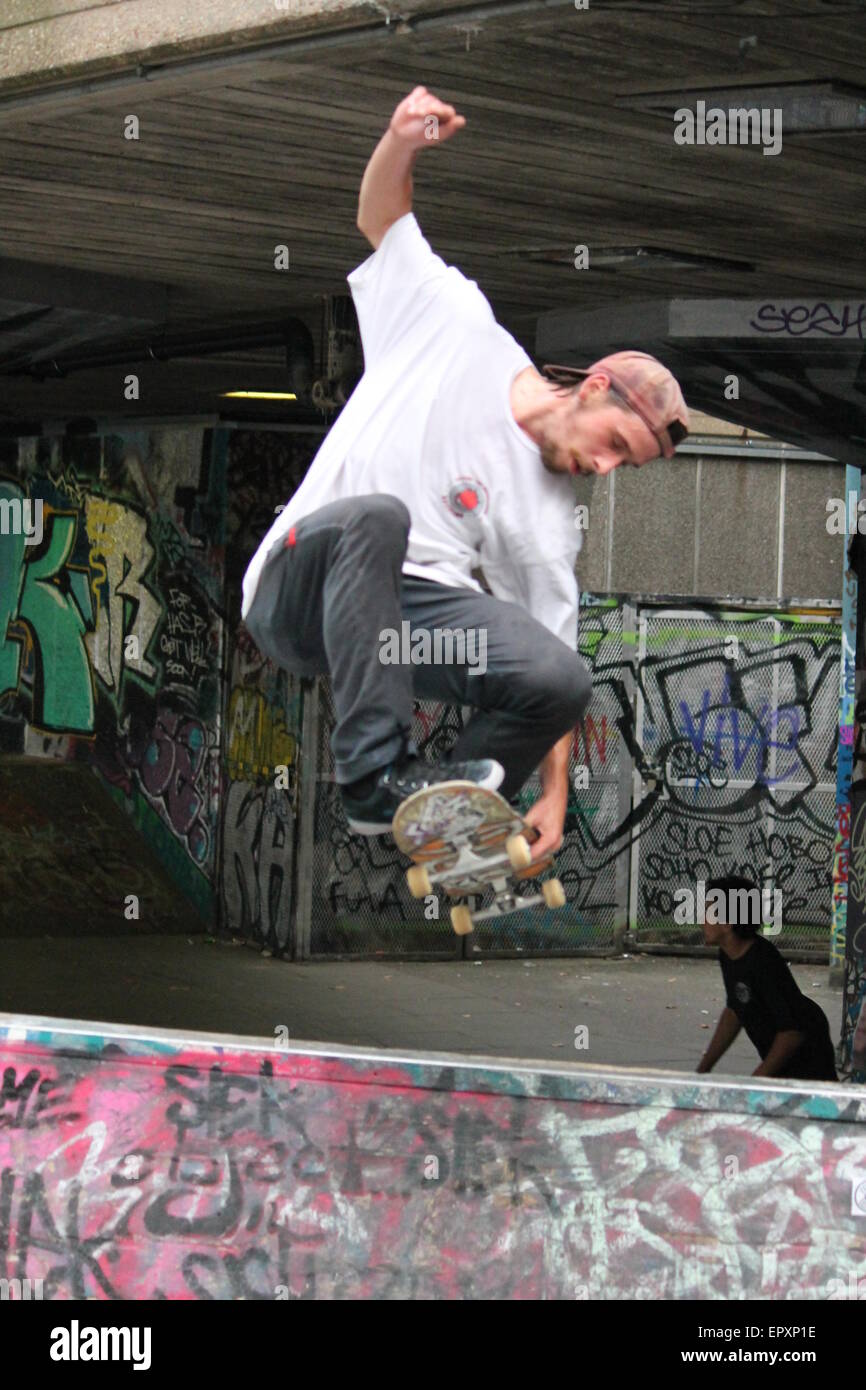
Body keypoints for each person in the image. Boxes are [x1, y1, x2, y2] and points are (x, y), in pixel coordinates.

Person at [241, 86, 689, 857]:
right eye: (615, 443)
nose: (605, 468)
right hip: (300, 587)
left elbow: (551, 661)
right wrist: (400, 140)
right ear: (591, 388)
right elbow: (381, 219)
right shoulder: (455, 323)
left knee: (562, 679)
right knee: (379, 518)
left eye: (626, 465)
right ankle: (373, 779)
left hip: (402, 628)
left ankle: (448, 808)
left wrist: (554, 793)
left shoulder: (548, 519)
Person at [697, 875, 837, 1081]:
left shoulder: (762, 961)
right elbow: (736, 1009)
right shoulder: (728, 954)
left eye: (707, 912)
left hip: (808, 1060)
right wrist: (703, 1069)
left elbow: (791, 1033)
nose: (701, 921)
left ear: (727, 922)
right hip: (781, 1063)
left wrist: (755, 1081)